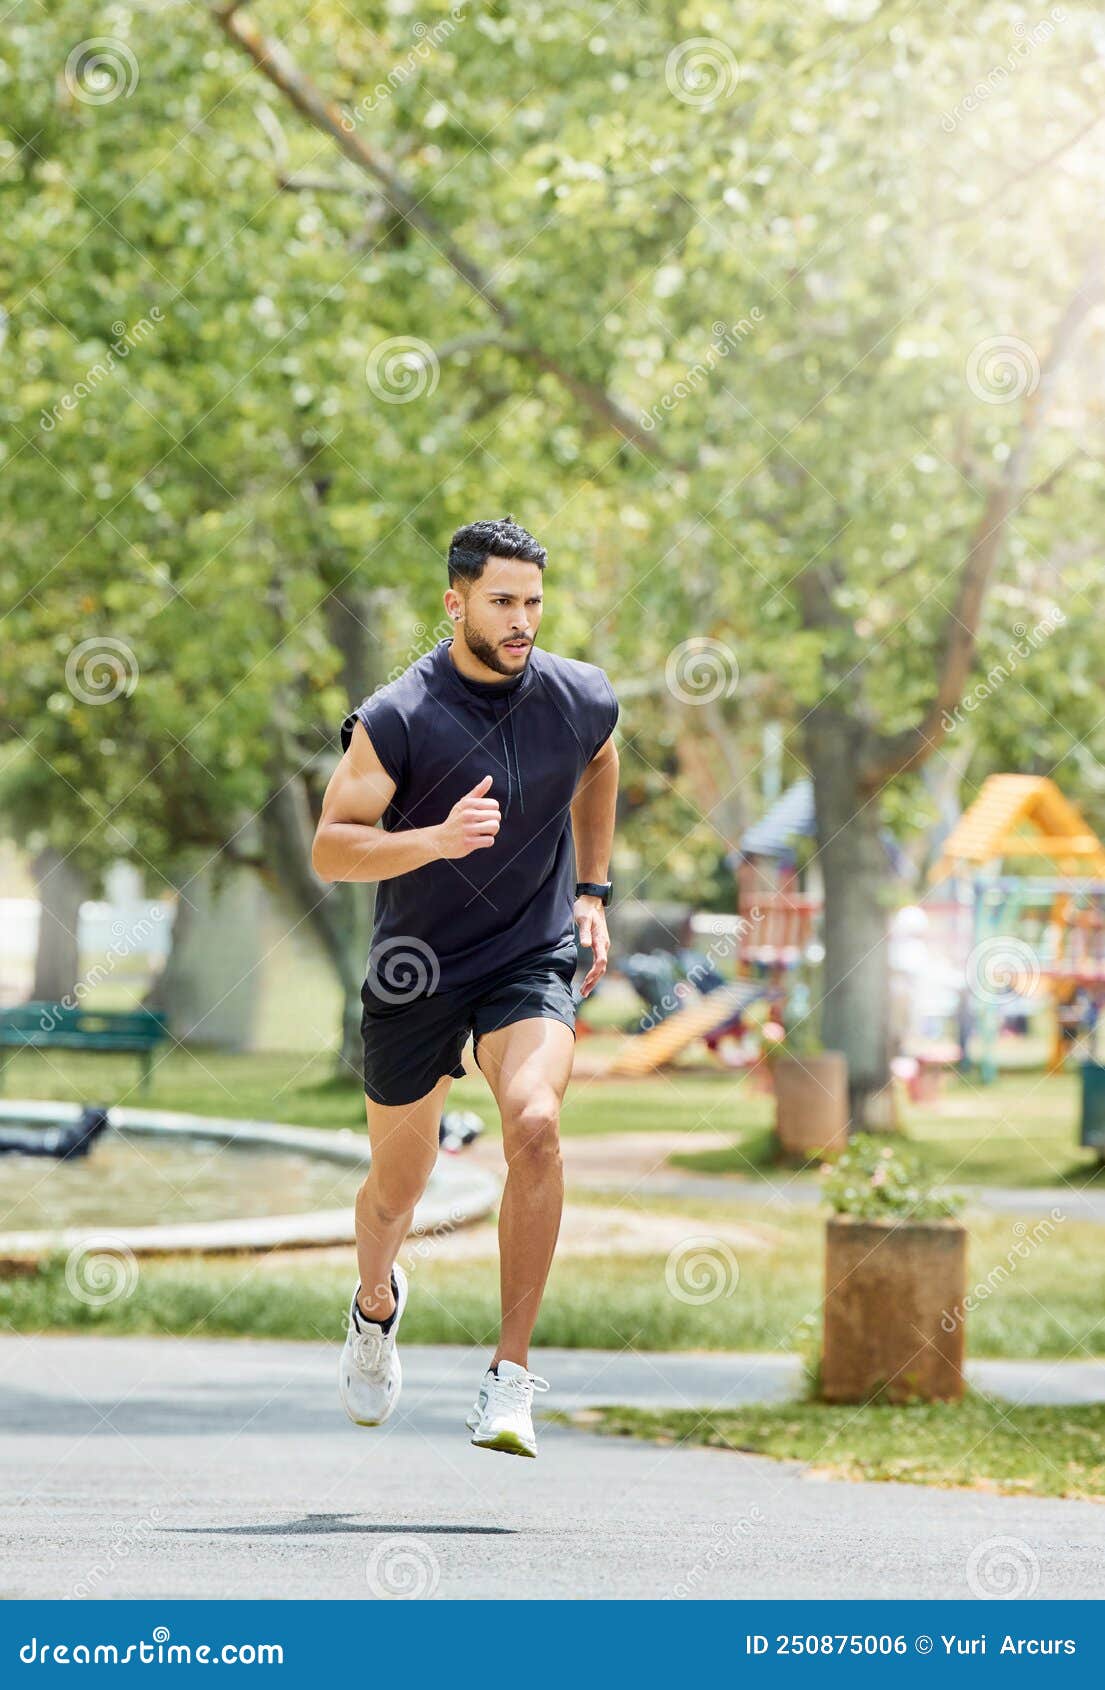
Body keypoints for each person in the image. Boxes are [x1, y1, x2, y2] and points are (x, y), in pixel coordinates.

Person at [311, 515, 619, 1458]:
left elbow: (601, 759)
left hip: (527, 955)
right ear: (455, 603)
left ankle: (509, 1377)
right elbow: (330, 848)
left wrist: (593, 892)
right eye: (501, 601)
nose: (521, 618)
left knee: (534, 1124)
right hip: (418, 970)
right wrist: (432, 842)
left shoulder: (577, 696)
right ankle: (373, 1302)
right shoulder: (398, 715)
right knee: (399, 1189)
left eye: (532, 600)